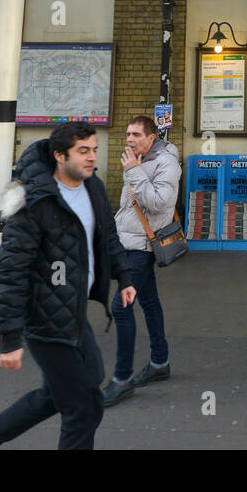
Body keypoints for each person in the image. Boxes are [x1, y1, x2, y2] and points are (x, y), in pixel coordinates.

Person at [0, 122, 136, 450]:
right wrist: (10, 337)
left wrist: (124, 276)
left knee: (66, 392)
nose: (92, 157)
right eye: (83, 151)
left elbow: (107, 236)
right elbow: (10, 270)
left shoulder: (94, 188)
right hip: (44, 321)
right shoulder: (33, 202)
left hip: (73, 312)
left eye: (94, 150)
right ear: (59, 155)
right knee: (83, 409)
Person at [102, 115, 180, 407]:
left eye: (136, 134)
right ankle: (160, 362)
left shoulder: (165, 163)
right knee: (149, 302)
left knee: (120, 307)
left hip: (141, 247)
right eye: (127, 134)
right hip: (130, 242)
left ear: (151, 137)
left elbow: (160, 202)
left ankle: (121, 380)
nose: (129, 139)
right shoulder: (140, 159)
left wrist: (134, 171)